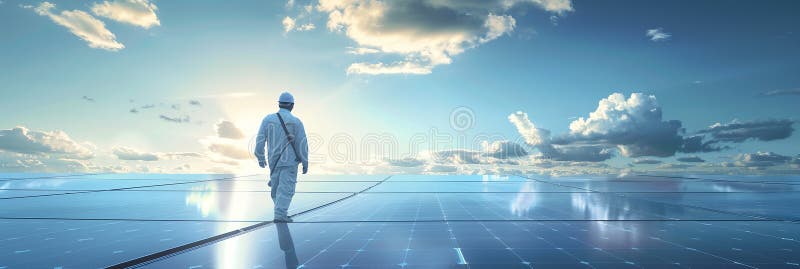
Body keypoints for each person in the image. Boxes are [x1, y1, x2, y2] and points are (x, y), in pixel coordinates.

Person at [254, 91, 309, 223]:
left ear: (279, 104)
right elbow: (302, 143)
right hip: (290, 162)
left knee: (276, 189)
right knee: (286, 188)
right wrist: (305, 162)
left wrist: (260, 157)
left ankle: (280, 211)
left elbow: (260, 139)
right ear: (292, 105)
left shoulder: (267, 119)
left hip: (274, 161)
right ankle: (280, 214)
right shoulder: (296, 122)